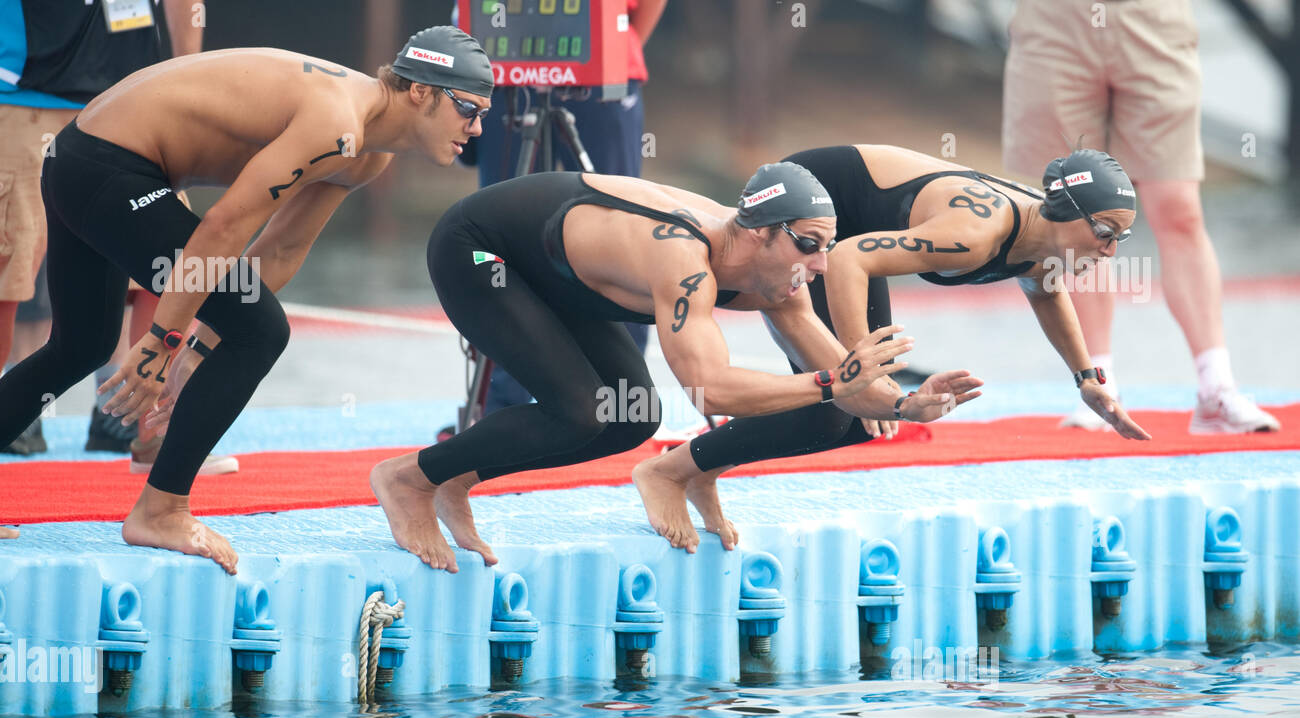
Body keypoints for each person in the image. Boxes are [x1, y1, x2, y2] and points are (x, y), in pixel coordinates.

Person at [0, 27, 494, 561]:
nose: (478, 126)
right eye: (468, 108)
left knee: (83, 345)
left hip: (82, 160)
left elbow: (279, 252)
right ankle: (160, 510)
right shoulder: (337, 122)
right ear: (420, 90)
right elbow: (225, 226)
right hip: (106, 167)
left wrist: (198, 349)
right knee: (262, 330)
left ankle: (159, 504)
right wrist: (164, 340)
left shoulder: (368, 152)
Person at [371, 160, 970, 572]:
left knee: (632, 418)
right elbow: (713, 393)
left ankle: (456, 477)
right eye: (809, 245)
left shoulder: (779, 274)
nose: (818, 265)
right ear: (762, 233)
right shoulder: (684, 260)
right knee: (580, 409)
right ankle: (409, 478)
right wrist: (830, 383)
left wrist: (904, 405)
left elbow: (845, 381)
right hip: (481, 250)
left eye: (827, 249)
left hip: (558, 272)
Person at [632, 144, 1153, 551]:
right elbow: (851, 259)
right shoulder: (974, 234)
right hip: (807, 228)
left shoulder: (1044, 241)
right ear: (1066, 210)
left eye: (1120, 239)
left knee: (855, 418)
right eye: (1104, 231)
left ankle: (699, 470)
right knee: (840, 410)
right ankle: (669, 472)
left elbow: (1046, 289)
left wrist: (1087, 379)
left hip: (850, 235)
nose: (1108, 250)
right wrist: (864, 372)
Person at [1003, 0, 1279, 434]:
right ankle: (1098, 385)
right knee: (1073, 214)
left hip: (1152, 18)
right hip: (1055, 20)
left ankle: (1216, 387)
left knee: (1179, 207)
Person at [1, 0, 203, 455]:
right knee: (10, 274)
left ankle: (146, 427)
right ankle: (19, 412)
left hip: (132, 99)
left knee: (173, 261)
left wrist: (189, 83)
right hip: (22, 97)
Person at [472, 0, 668, 415]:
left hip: (604, 66)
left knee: (623, 226)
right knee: (496, 235)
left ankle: (623, 396)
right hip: (508, 64)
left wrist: (617, 44)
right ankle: (499, 403)